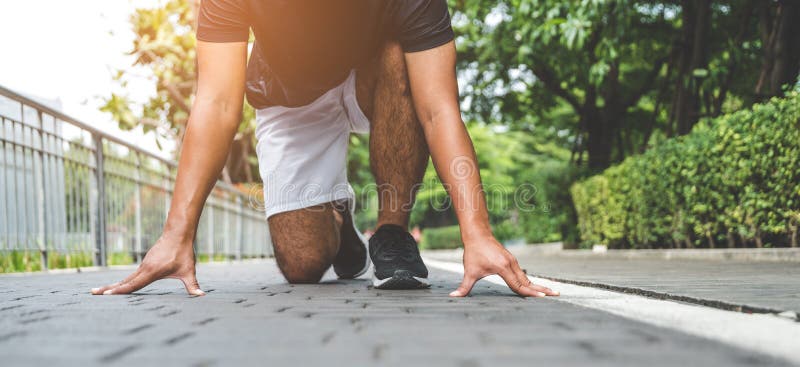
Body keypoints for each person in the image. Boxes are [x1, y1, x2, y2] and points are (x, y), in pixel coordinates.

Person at [91, 0, 558, 298]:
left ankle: (392, 230)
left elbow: (438, 108)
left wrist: (477, 233)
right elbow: (215, 103)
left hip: (373, 77)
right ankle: (337, 215)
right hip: (290, 97)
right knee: (302, 266)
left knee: (401, 57)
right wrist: (177, 234)